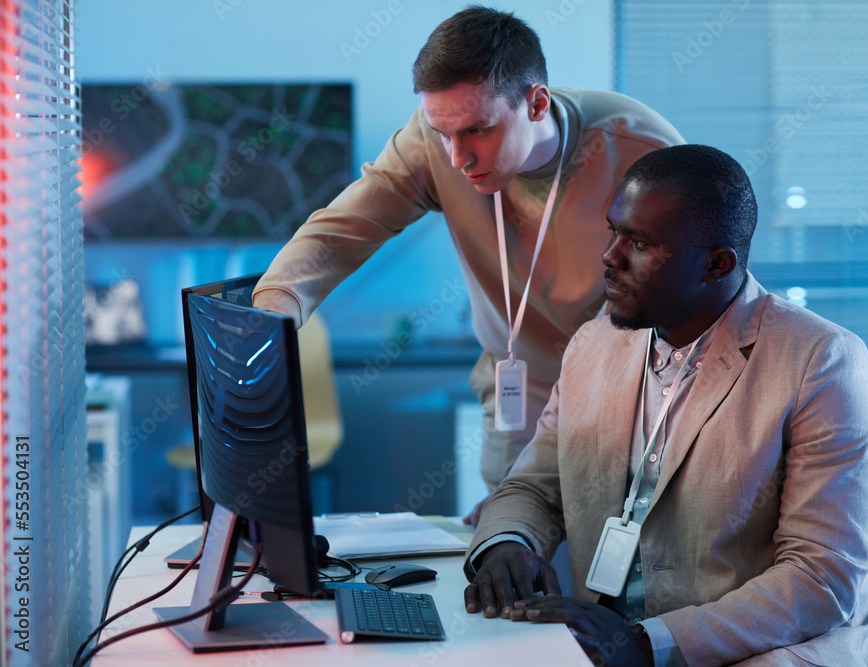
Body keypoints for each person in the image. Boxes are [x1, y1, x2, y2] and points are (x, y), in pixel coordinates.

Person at [463, 144, 868, 666]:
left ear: (716, 264)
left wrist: (650, 641)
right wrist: (508, 543)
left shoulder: (821, 360)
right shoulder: (594, 344)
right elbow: (533, 487)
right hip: (610, 647)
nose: (610, 257)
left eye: (639, 243)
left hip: (761, 650)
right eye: (614, 232)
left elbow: (820, 577)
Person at [251, 6, 684, 502]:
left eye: (478, 130)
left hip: (629, 386)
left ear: (537, 104)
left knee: (615, 534)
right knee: (507, 533)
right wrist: (272, 316)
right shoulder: (432, 141)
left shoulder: (642, 151)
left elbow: (694, 288)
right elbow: (341, 230)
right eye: (443, 134)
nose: (457, 158)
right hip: (519, 385)